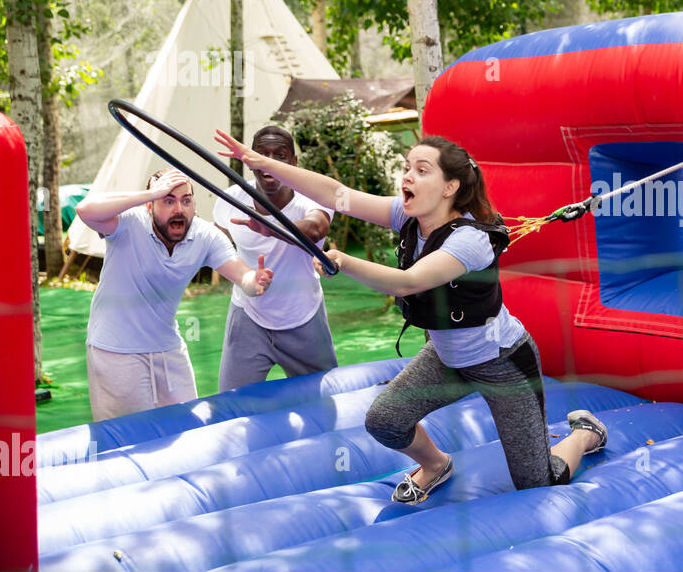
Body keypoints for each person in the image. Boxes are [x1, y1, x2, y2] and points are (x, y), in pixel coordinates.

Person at [213, 128, 608, 503]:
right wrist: (259, 161)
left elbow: (408, 282)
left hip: (501, 363)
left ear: (450, 187)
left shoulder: (470, 241)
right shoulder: (407, 218)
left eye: (422, 171)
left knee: (539, 480)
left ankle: (585, 435)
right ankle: (436, 464)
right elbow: (337, 195)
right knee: (384, 421)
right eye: (406, 168)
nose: (407, 177)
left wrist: (344, 261)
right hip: (447, 358)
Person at [75, 168, 274, 421]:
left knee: (187, 429)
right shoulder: (129, 223)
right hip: (117, 349)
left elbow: (242, 275)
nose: (179, 209)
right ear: (150, 206)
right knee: (128, 438)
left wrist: (254, 281)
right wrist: (151, 192)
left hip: (167, 347)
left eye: (186, 200)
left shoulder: (205, 235)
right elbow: (85, 210)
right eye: (168, 200)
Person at [213, 126, 338, 390]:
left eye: (280, 155)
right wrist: (245, 275)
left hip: (303, 317)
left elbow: (315, 229)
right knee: (233, 407)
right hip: (248, 317)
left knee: (324, 402)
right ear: (250, 161)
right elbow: (218, 246)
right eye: (262, 154)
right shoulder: (230, 200)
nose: (270, 162)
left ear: (293, 162)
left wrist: (271, 227)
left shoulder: (313, 196)